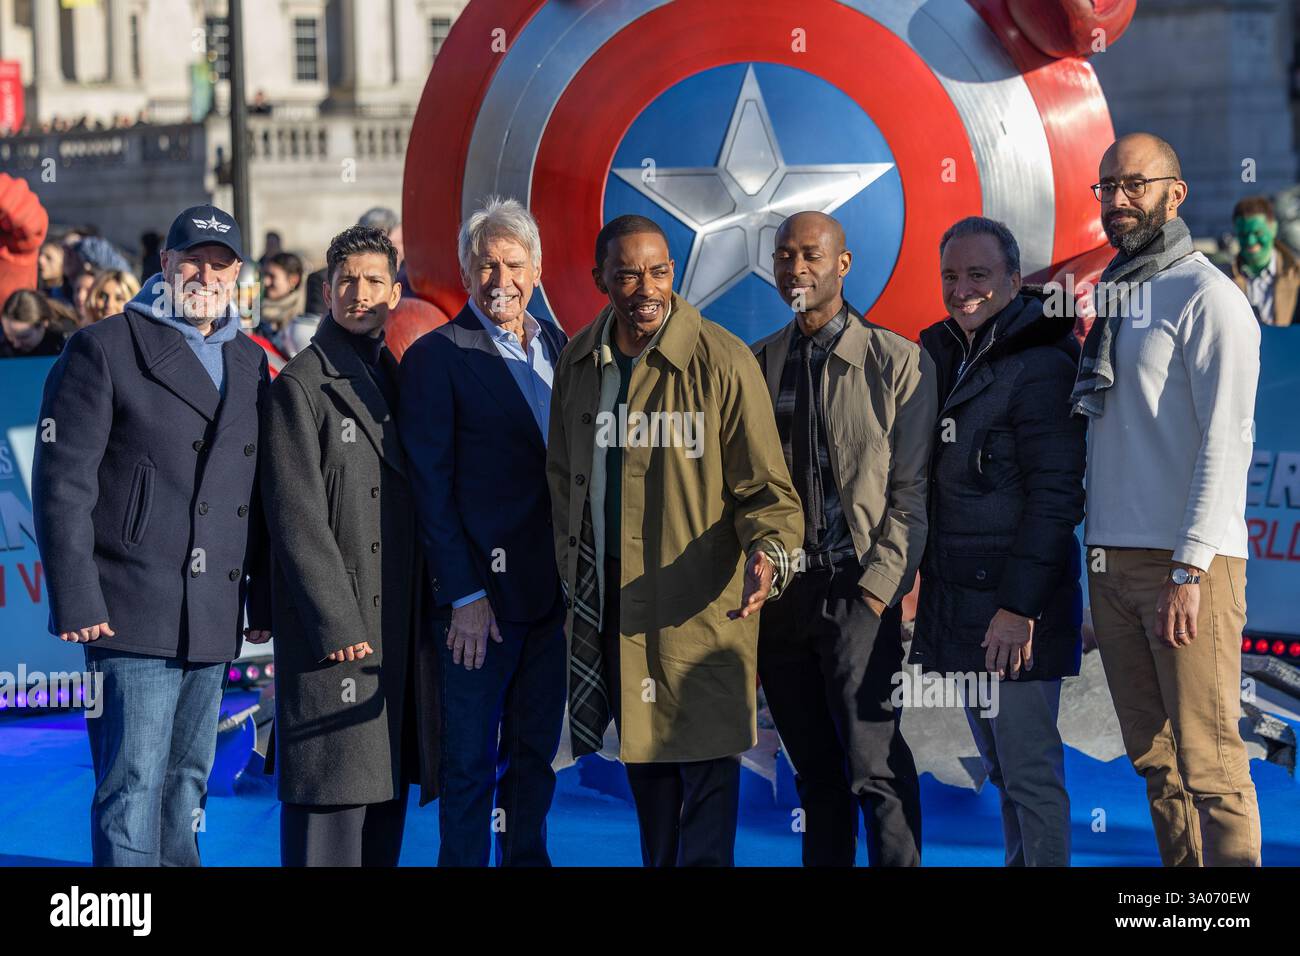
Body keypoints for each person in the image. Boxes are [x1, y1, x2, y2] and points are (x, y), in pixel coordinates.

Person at [548, 214, 804, 867]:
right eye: (628, 272)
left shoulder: (723, 361)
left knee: (709, 778)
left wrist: (769, 554)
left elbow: (767, 492)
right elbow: (560, 482)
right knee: (648, 774)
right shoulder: (578, 362)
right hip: (611, 612)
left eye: (659, 270)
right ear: (600, 277)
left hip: (702, 616)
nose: (646, 286)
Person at [32, 203, 272, 866]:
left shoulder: (252, 363)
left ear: (236, 275)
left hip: (212, 618)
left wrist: (264, 601)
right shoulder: (104, 348)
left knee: (186, 789)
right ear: (164, 264)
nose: (204, 273)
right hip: (128, 612)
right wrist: (76, 596)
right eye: (191, 258)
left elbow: (259, 494)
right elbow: (63, 484)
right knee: (131, 789)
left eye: (219, 263)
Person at [1074, 133, 1262, 866]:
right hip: (1113, 563)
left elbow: (1228, 444)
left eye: (1134, 185)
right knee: (1156, 764)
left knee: (1212, 768)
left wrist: (1188, 571)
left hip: (1190, 567)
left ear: (1174, 194)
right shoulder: (1118, 291)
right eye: (1107, 187)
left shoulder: (1211, 297)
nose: (1117, 201)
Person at [750, 211, 935, 867]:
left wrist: (879, 591)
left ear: (842, 265)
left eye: (810, 255)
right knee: (814, 773)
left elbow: (912, 494)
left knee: (873, 764)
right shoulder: (758, 365)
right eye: (783, 256)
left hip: (858, 590)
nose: (796, 268)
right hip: (782, 602)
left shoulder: (899, 361)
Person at [260, 224, 438, 867]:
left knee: (379, 807)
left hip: (393, 634)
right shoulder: (299, 387)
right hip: (336, 639)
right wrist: (337, 623)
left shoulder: (398, 375)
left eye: (372, 281)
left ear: (395, 291)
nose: (358, 294)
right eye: (345, 282)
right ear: (326, 290)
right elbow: (294, 518)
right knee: (329, 813)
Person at [912, 216, 1086, 867]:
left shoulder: (1040, 364)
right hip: (966, 606)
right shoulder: (952, 354)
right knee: (1006, 772)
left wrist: (1019, 610)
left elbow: (1056, 496)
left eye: (978, 275)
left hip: (1014, 614)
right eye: (951, 276)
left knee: (1030, 773)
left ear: (1014, 280)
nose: (962, 290)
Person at [399, 197, 568, 866]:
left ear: (537, 269)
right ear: (467, 273)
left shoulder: (558, 345)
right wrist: (464, 595)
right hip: (481, 610)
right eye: (486, 265)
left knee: (534, 758)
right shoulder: (436, 357)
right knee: (469, 767)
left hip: (552, 600)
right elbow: (429, 490)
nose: (500, 280)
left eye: (514, 265)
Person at [1220, 196, 1299, 327]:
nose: (1250, 241)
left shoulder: (1297, 276)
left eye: (1258, 233)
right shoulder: (1223, 280)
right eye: (1243, 235)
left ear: (1273, 228)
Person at [0, 289, 67, 357]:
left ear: (44, 323)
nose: (16, 345)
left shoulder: (66, 347)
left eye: (24, 337)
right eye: (9, 336)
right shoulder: (3, 347)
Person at [259, 251, 305, 333]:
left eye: (272, 276)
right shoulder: (255, 310)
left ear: (293, 280)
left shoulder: (301, 318)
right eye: (265, 275)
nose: (266, 282)